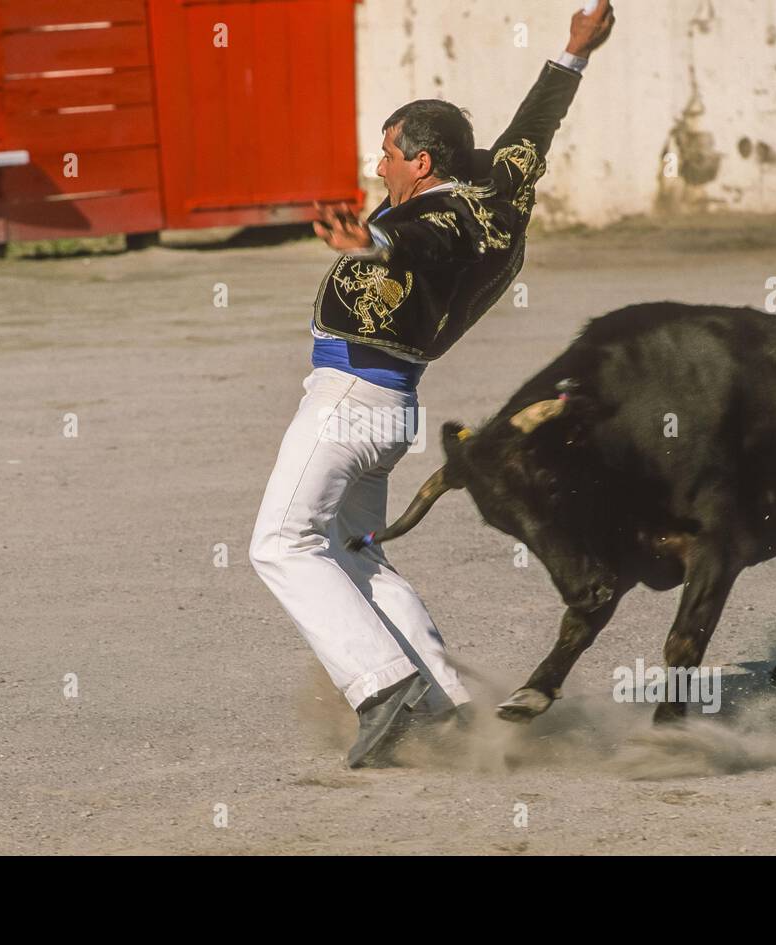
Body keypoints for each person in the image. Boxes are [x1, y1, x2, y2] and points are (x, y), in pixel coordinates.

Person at [250, 4, 617, 767]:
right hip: (389, 405)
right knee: (354, 553)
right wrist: (573, 53)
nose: (378, 164)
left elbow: (424, 240)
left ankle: (382, 686)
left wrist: (377, 237)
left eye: (388, 153)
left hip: (348, 400)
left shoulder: (439, 220)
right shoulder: (494, 199)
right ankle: (446, 699)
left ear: (422, 162)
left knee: (280, 543)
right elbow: (531, 133)